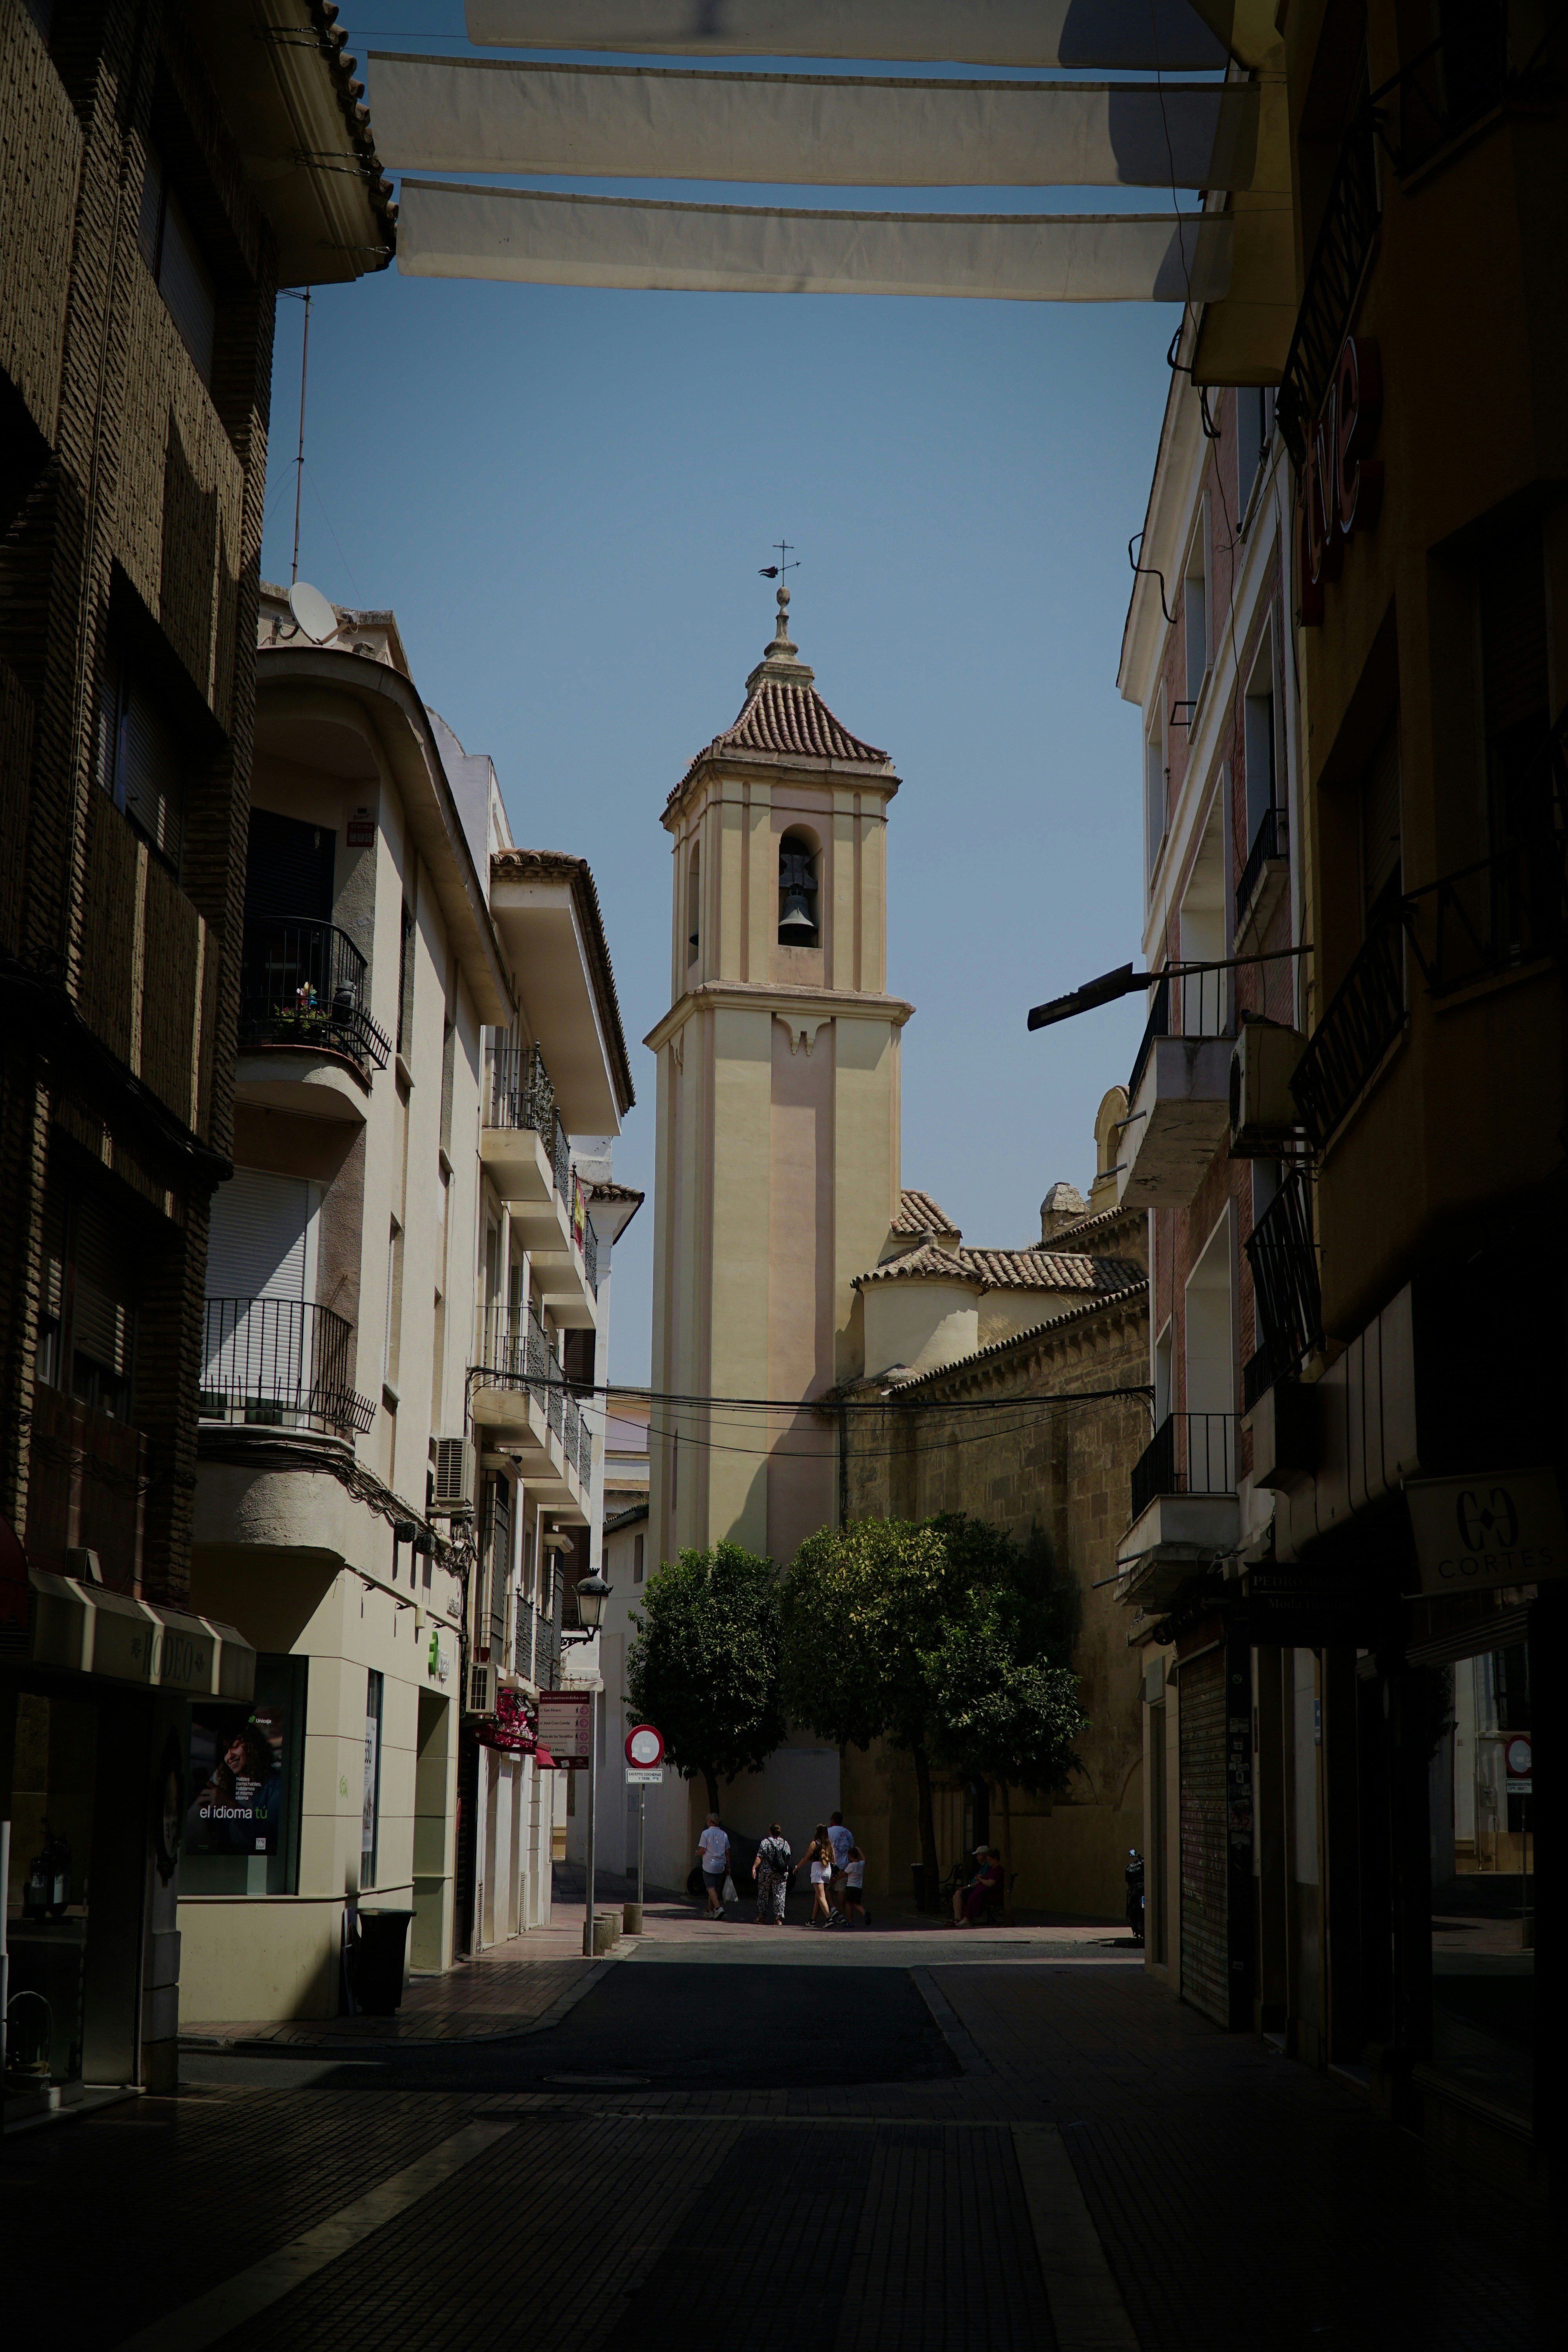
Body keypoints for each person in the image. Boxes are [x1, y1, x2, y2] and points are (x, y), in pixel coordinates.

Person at [948, 1845, 1004, 1927]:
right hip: (982, 1891)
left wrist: (978, 1880)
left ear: (995, 1859)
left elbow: (990, 1883)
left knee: (966, 1895)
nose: (976, 1857)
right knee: (960, 1895)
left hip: (989, 1893)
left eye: (990, 1860)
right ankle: (959, 1918)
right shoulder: (992, 1869)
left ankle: (963, 1919)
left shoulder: (996, 1869)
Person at [753, 1821, 793, 1926]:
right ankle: (778, 1919)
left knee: (763, 1894)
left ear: (770, 1831)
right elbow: (787, 1857)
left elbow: (760, 1856)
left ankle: (761, 1917)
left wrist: (754, 1867)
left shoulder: (765, 1842)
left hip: (766, 1872)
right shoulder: (785, 1843)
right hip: (781, 1873)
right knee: (780, 1894)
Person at [697, 1813, 731, 1918]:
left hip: (709, 1864)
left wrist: (696, 1853)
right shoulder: (724, 1834)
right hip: (721, 1865)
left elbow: (702, 1850)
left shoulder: (706, 1834)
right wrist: (729, 1867)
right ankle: (709, 1911)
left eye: (708, 1821)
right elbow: (727, 1852)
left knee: (710, 1888)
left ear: (711, 1822)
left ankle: (718, 1908)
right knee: (714, 1889)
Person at [804, 1822, 834, 1927]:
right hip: (827, 1871)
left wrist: (796, 1868)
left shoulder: (815, 1844)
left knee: (821, 1896)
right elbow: (833, 1859)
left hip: (818, 1871)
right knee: (818, 1896)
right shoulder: (829, 1844)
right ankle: (813, 1920)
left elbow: (806, 1858)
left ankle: (829, 1918)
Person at [826, 1809, 854, 1922]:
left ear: (833, 1820)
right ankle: (842, 1915)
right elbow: (851, 1850)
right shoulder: (848, 1833)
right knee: (841, 1890)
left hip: (831, 1865)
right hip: (844, 1865)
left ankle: (833, 1908)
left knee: (825, 1889)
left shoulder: (828, 1832)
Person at [843, 1841, 869, 1927]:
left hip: (850, 1887)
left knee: (848, 1903)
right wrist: (860, 1851)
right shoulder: (861, 1864)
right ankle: (865, 1913)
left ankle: (850, 1922)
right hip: (859, 1888)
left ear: (850, 1857)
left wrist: (834, 1880)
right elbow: (865, 1860)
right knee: (857, 1904)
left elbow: (843, 1874)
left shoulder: (851, 1866)